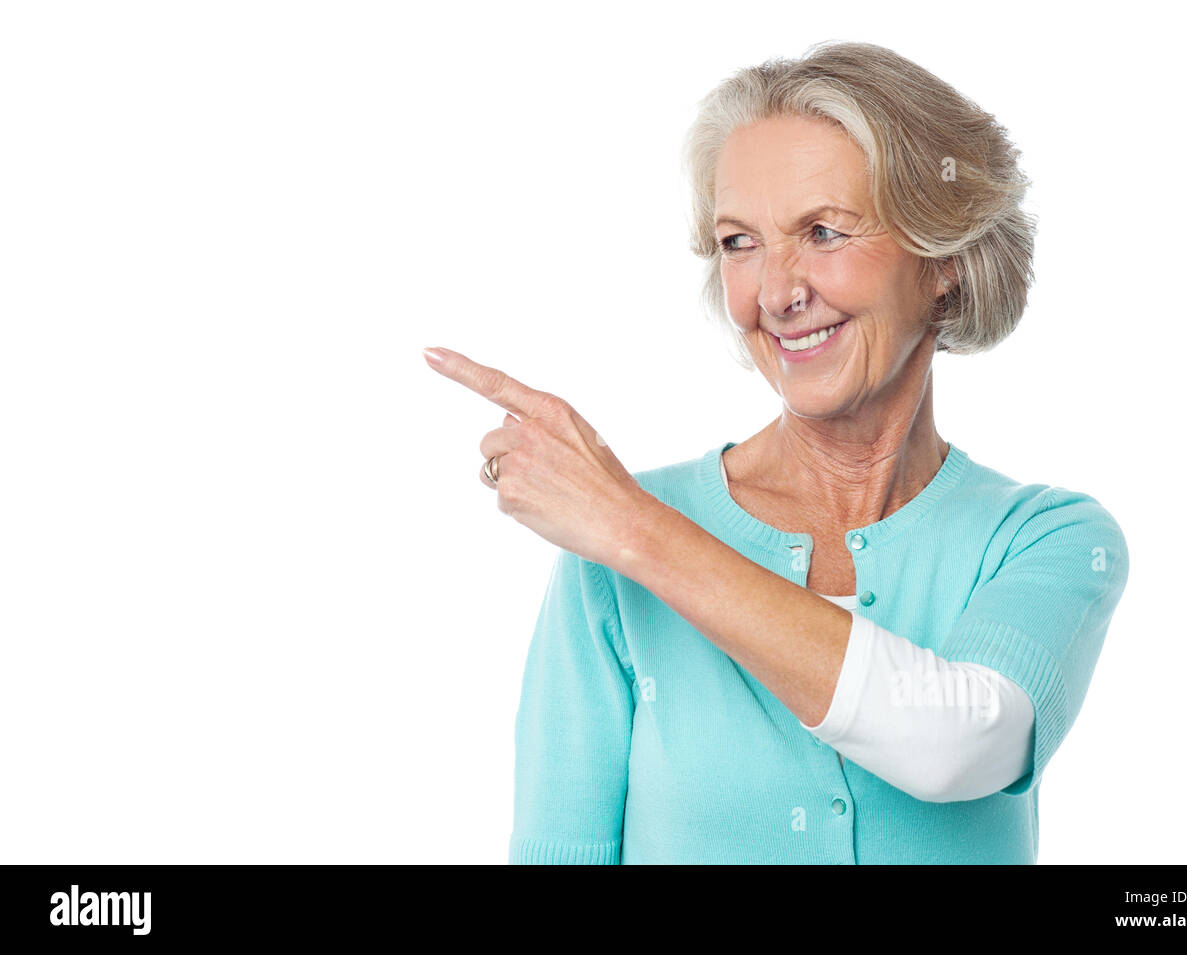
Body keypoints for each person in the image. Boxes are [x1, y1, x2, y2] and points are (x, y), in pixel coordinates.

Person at [424, 40, 1129, 864]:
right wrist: (623, 536)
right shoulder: (603, 567)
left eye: (823, 231)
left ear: (943, 261)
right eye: (738, 242)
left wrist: (635, 528)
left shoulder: (1046, 539)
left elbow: (960, 743)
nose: (775, 292)